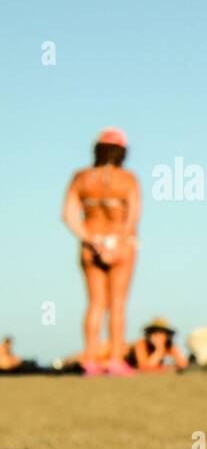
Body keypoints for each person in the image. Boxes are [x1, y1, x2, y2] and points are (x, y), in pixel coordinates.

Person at [61, 127, 141, 376]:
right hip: (120, 242)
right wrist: (117, 244)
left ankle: (91, 359)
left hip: (90, 241)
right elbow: (132, 218)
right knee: (117, 304)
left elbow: (68, 216)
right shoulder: (127, 179)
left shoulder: (81, 178)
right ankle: (116, 360)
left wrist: (91, 240)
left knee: (95, 304)